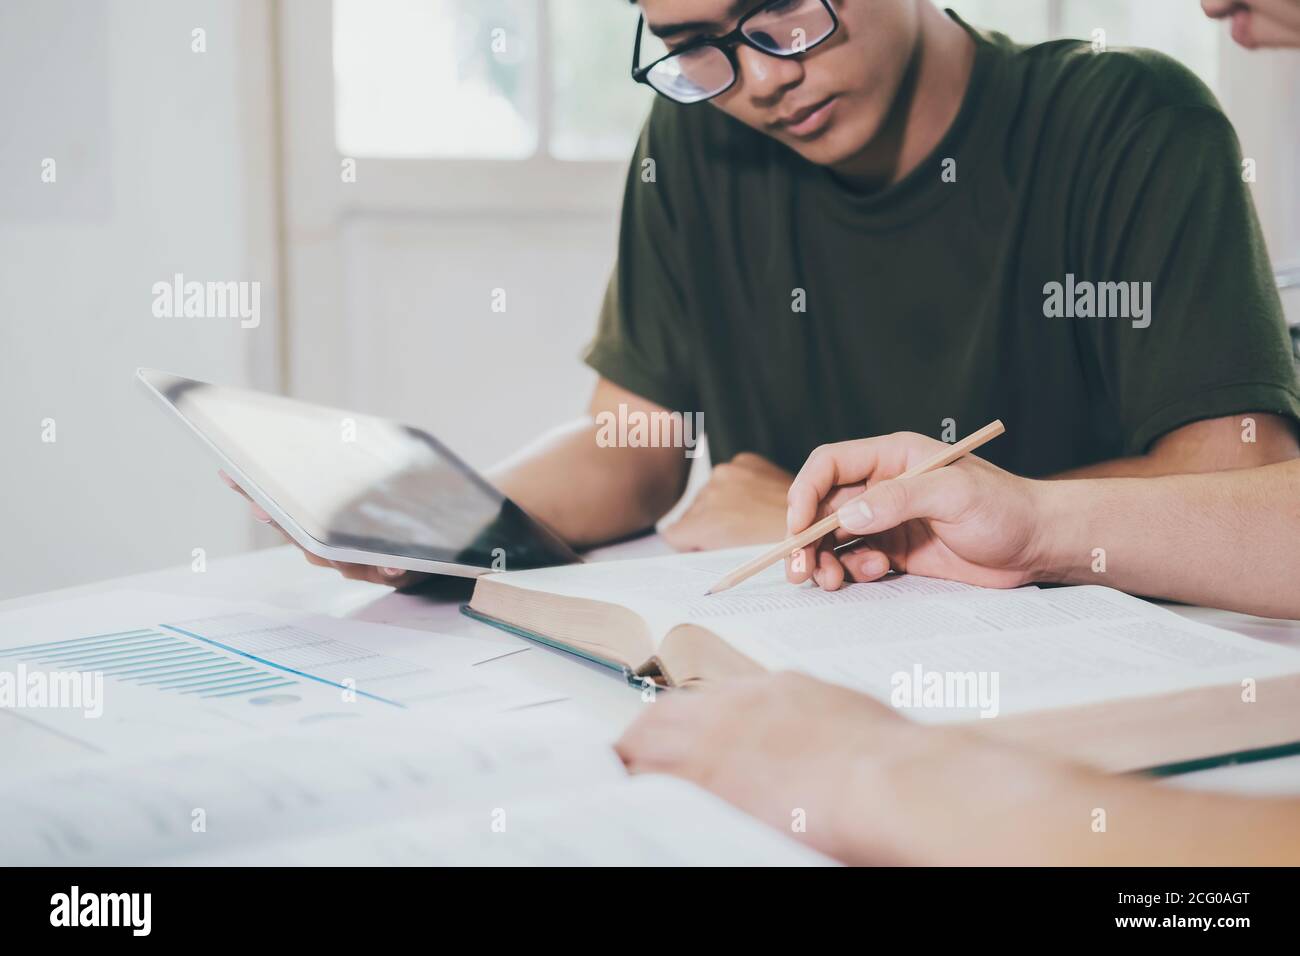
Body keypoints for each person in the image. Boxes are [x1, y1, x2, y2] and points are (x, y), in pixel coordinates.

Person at [233, 0, 1298, 581]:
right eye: (691, 46)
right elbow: (635, 451)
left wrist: (834, 519)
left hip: (1093, 669)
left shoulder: (1125, 123)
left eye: (778, 15)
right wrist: (424, 519)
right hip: (795, 659)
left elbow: (1236, 471)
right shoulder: (696, 143)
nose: (754, 82)